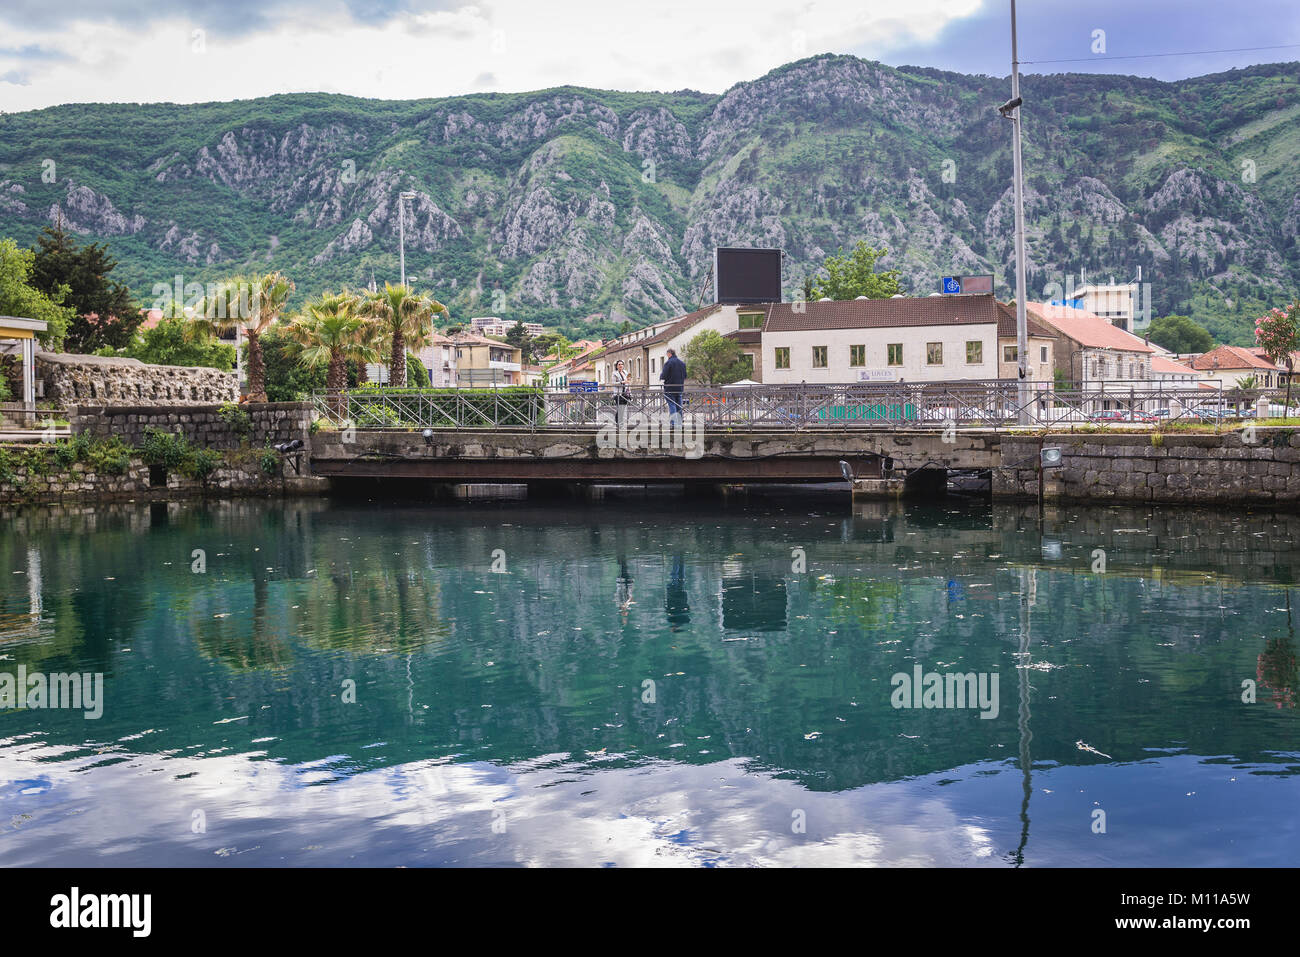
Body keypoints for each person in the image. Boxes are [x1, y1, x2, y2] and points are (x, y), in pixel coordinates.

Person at [659, 347, 687, 426]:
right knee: (679, 405)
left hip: (670, 388)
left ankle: (673, 423)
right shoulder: (682, 363)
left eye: (667, 354)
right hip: (680, 388)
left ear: (669, 354)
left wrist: (661, 376)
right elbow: (685, 376)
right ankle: (679, 423)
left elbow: (664, 375)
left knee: (672, 405)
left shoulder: (668, 363)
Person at [612, 359, 631, 427]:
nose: (620, 365)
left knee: (622, 409)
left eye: (622, 364)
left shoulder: (625, 372)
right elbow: (613, 383)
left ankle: (619, 423)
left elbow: (628, 382)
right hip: (618, 394)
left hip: (625, 393)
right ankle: (618, 423)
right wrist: (622, 382)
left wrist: (629, 390)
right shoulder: (614, 373)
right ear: (617, 366)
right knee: (619, 409)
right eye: (619, 364)